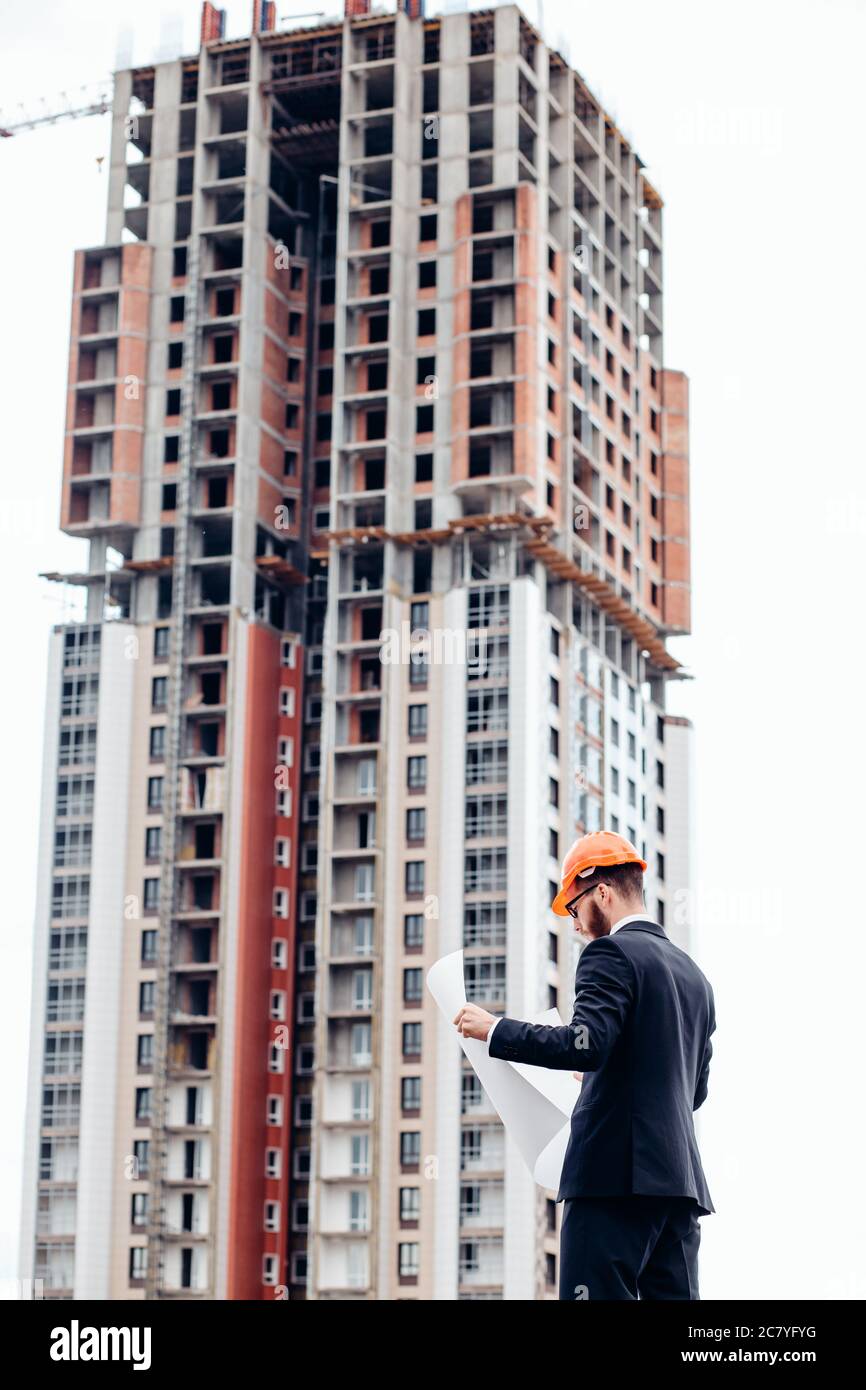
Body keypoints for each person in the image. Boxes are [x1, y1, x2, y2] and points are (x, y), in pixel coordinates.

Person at [453, 830, 716, 1300]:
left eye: (574, 908)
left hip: (612, 1179)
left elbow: (584, 1044)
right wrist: (604, 1069)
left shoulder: (610, 953)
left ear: (602, 891)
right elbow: (692, 1090)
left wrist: (494, 1029)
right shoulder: (693, 976)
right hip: (678, 1190)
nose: (574, 925)